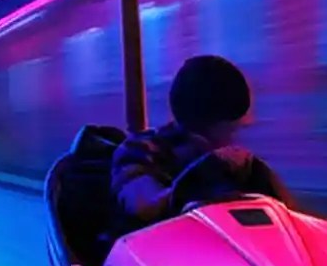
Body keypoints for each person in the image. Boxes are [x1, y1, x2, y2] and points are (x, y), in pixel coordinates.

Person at [109, 54, 297, 235]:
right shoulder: (139, 153)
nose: (236, 140)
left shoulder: (241, 169)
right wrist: (208, 169)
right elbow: (146, 209)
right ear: (204, 132)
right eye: (232, 130)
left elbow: (289, 220)